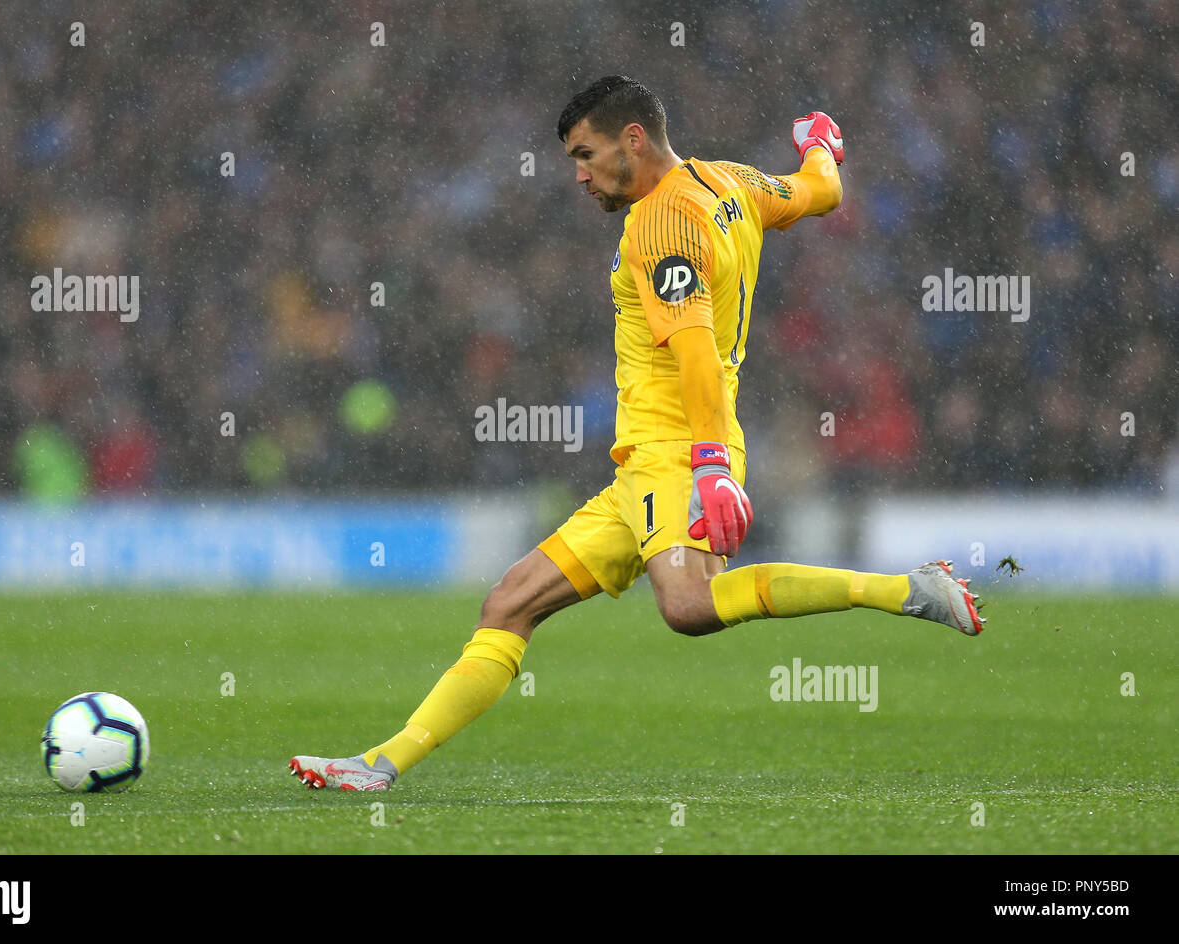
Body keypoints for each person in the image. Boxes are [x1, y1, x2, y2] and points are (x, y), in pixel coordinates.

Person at [291, 75, 985, 792]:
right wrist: (821, 147)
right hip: (645, 468)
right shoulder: (731, 183)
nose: (580, 175)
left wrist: (711, 467)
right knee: (510, 600)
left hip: (679, 454)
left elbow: (694, 354)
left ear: (633, 139)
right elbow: (821, 192)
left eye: (585, 155)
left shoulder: (660, 226)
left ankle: (907, 590)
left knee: (687, 607)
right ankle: (381, 766)